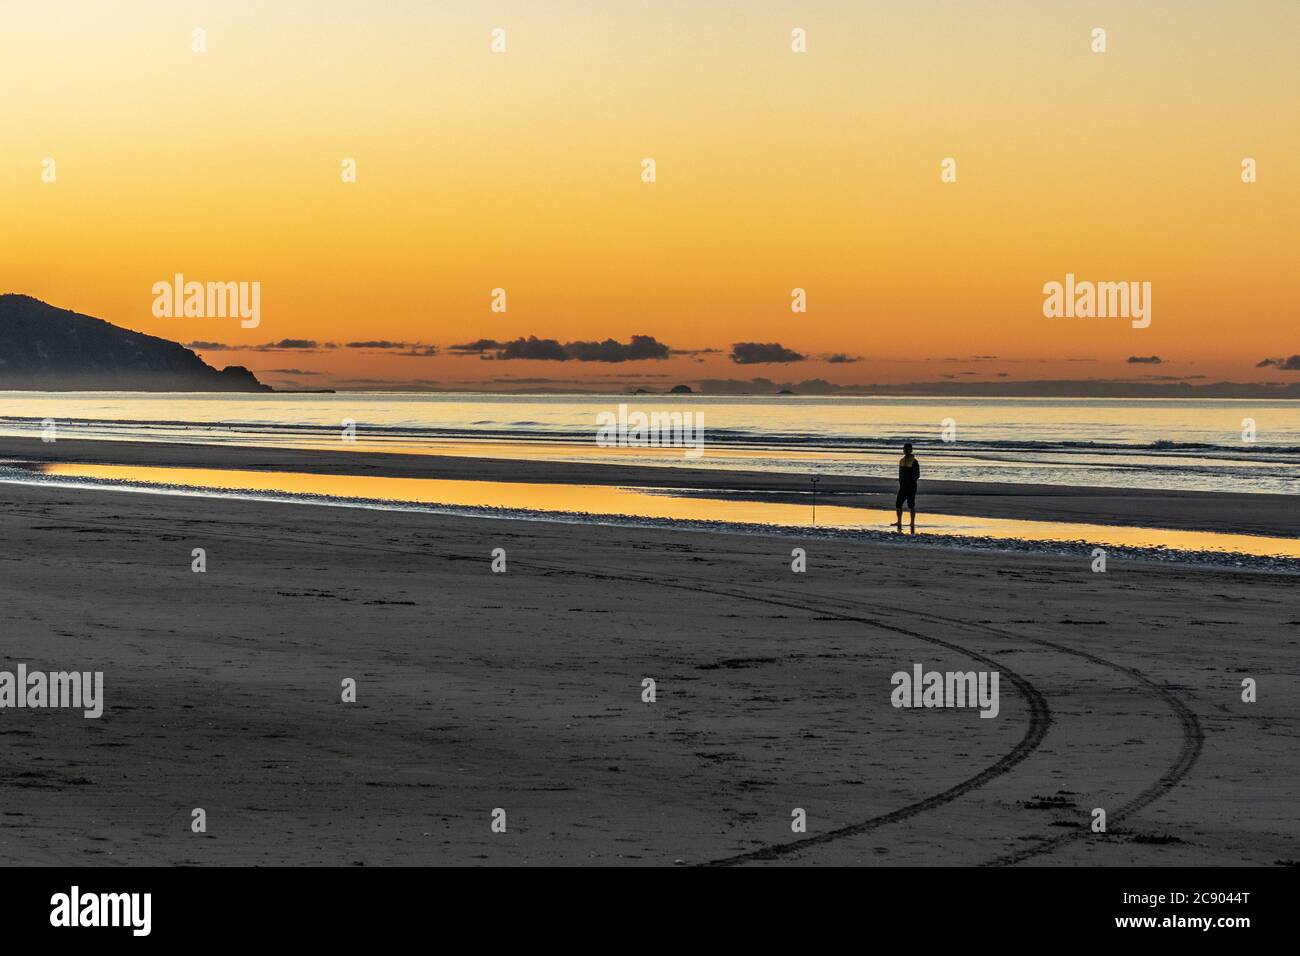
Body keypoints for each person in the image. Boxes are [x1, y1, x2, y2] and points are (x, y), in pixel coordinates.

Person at [895, 442, 919, 531]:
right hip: (902, 486)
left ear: (911, 450)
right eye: (904, 449)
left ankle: (912, 522)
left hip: (911, 486)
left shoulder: (914, 461)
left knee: (911, 504)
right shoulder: (901, 460)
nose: (906, 451)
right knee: (898, 503)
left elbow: (917, 475)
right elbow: (900, 474)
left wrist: (910, 483)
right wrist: (900, 481)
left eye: (908, 449)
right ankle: (899, 521)